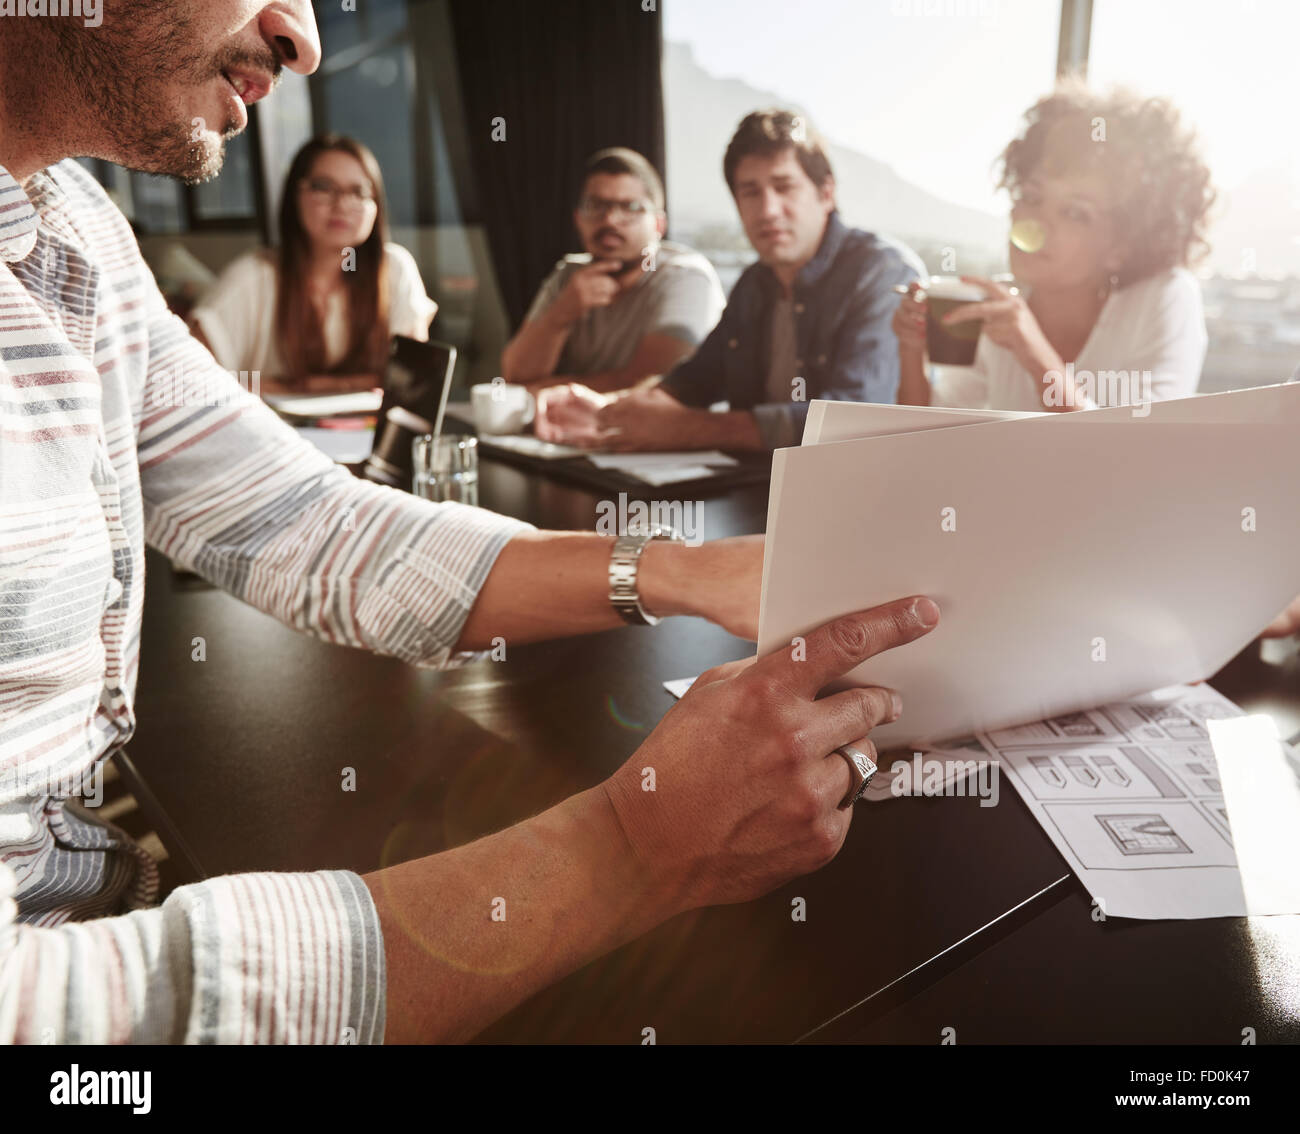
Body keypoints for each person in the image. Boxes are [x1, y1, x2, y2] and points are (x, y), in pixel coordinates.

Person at [0, 1, 938, 1044]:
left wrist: (680, 570)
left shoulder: (77, 232)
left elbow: (303, 518)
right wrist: (629, 851)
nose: (304, 40)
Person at [535, 109, 925, 452]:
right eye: (750, 192)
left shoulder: (883, 273)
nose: (768, 209)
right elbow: (692, 383)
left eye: (784, 186)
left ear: (826, 194)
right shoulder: (755, 282)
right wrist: (607, 409)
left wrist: (687, 430)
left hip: (850, 498)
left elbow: (853, 419)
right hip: (758, 492)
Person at [894, 83, 1215, 412]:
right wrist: (911, 349)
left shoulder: (1164, 298)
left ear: (1122, 245)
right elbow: (932, 434)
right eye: (1032, 198)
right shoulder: (1001, 308)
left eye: (1076, 213)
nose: (1038, 224)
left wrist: (1033, 352)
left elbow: (1137, 448)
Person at [189, 134, 437, 395]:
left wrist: (309, 386)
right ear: (294, 195)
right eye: (323, 187)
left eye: (359, 192)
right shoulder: (253, 277)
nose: (342, 204)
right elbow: (188, 382)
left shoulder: (394, 268)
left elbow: (412, 382)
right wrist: (357, 383)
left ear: (376, 206)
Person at [500, 147, 724, 394]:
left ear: (658, 225)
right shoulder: (568, 274)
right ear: (578, 219)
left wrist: (539, 391)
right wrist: (561, 314)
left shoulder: (686, 276)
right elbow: (514, 375)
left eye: (630, 207)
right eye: (596, 206)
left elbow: (651, 385)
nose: (609, 220)